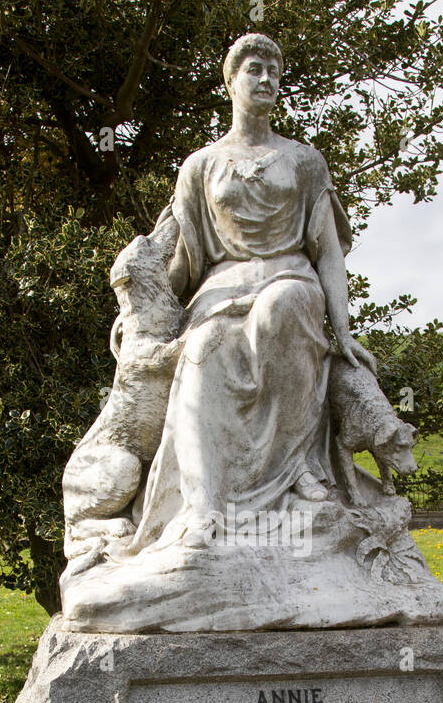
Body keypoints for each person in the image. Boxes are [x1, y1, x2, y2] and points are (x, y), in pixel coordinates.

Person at [130, 31, 376, 551]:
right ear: (231, 81)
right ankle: (204, 508)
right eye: (254, 69)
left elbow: (329, 252)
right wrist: (139, 309)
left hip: (292, 282)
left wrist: (344, 329)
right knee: (201, 349)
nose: (267, 79)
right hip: (218, 293)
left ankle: (297, 472)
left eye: (275, 71)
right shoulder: (200, 166)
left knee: (278, 310)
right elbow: (182, 259)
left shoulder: (305, 161)